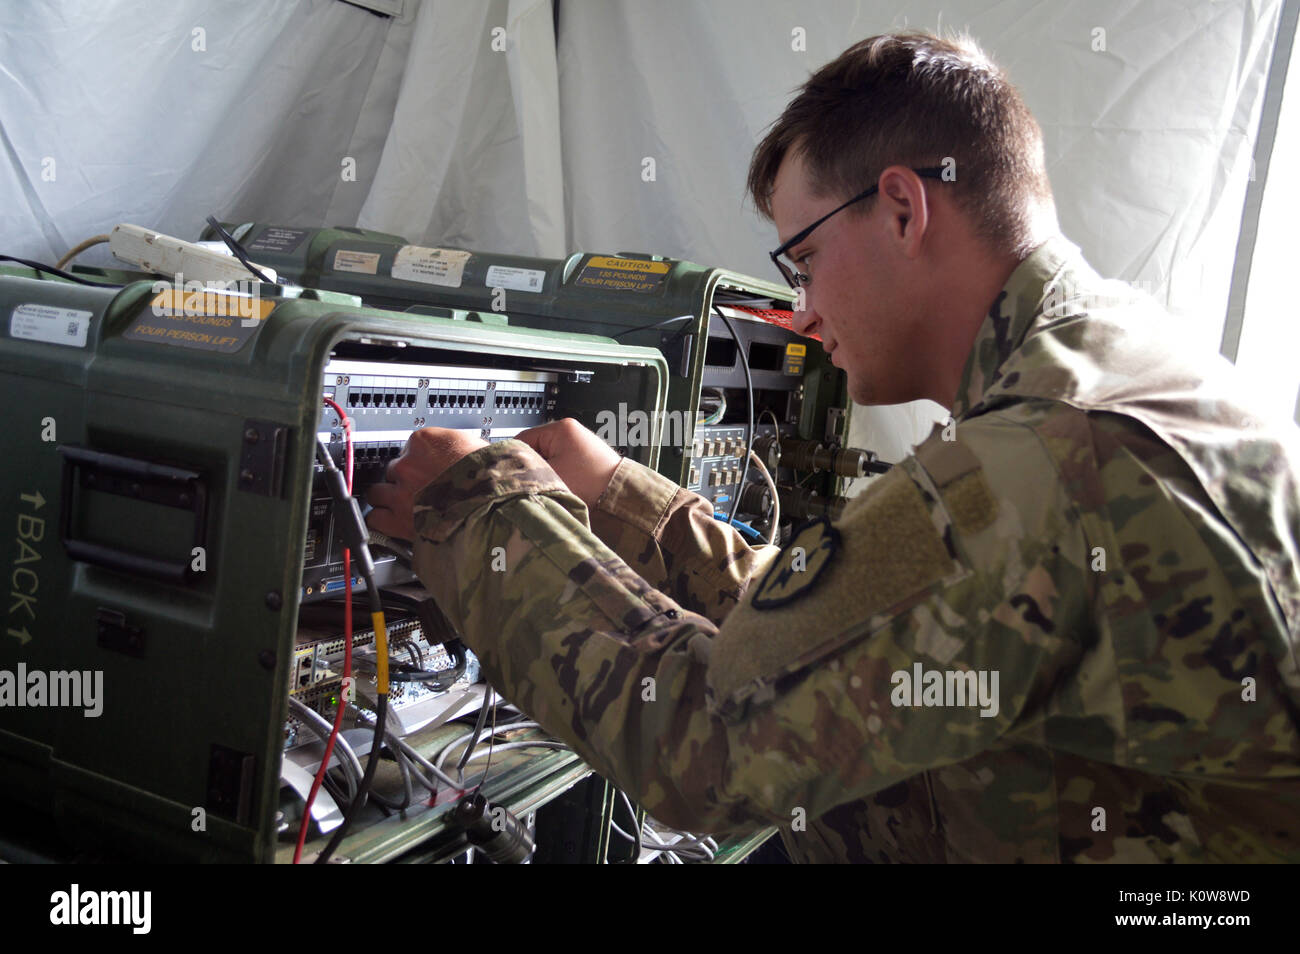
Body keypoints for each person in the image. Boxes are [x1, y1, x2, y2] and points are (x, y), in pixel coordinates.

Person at [365, 31, 1300, 862]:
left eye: (804, 260)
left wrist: (482, 506)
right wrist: (623, 498)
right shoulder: (1114, 364)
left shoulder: (1035, 456)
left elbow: (707, 745)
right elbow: (861, 631)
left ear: (902, 209)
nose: (804, 313)